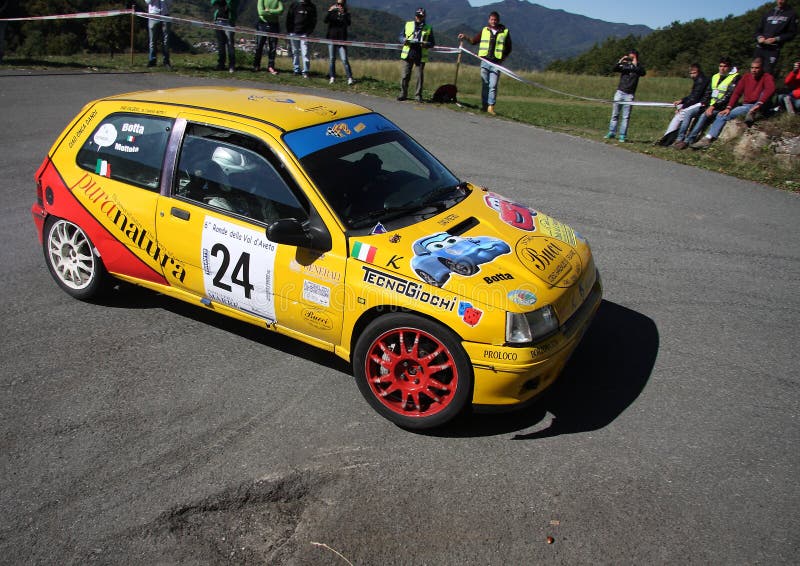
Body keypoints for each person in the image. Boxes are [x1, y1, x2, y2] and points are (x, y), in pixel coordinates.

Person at [690, 58, 775, 149]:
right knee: (721, 115)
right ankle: (708, 138)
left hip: (760, 104)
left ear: (762, 68)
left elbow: (770, 89)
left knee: (762, 95)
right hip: (746, 105)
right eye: (752, 68)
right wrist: (729, 107)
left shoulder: (767, 77)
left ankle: (754, 112)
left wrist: (759, 104)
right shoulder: (746, 77)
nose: (754, 70)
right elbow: (737, 93)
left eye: (757, 68)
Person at [676, 57, 740, 149]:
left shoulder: (735, 77)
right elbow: (708, 92)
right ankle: (679, 139)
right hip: (709, 104)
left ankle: (689, 140)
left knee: (703, 116)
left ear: (730, 67)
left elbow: (728, 96)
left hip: (721, 106)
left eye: (725, 66)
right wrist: (704, 103)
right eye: (720, 66)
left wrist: (713, 106)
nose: (722, 68)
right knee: (688, 112)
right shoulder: (715, 76)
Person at [458, 11, 512, 115]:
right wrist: (465, 37)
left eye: (495, 20)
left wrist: (503, 58)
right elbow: (474, 41)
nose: (493, 21)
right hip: (485, 62)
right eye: (492, 19)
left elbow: (508, 48)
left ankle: (491, 106)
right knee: (485, 84)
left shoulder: (504, 31)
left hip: (496, 64)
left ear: (498, 20)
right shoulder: (484, 30)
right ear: (489, 20)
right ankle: (484, 105)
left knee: (493, 85)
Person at [656, 63, 708, 146]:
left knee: (681, 114)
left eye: (691, 73)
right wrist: (682, 100)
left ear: (695, 71)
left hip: (701, 104)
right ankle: (669, 137)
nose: (691, 75)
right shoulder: (700, 80)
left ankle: (672, 138)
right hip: (699, 102)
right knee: (679, 113)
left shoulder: (700, 81)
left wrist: (683, 106)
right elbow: (693, 95)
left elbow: (695, 97)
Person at [604, 49, 646, 143]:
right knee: (615, 114)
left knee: (625, 116)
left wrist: (634, 63)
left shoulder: (639, 68)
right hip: (620, 92)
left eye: (632, 56)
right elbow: (615, 68)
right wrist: (621, 60)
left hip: (629, 94)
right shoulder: (625, 66)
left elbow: (642, 73)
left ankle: (622, 135)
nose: (629, 58)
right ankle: (612, 132)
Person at [398, 7, 435, 102]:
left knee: (419, 77)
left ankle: (418, 95)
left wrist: (426, 44)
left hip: (420, 55)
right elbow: (400, 36)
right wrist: (403, 40)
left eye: (421, 16)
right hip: (408, 53)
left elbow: (432, 43)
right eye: (418, 16)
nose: (419, 18)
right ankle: (403, 94)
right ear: (415, 16)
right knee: (404, 75)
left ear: (424, 17)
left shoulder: (428, 28)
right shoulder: (408, 24)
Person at [754, 0, 798, 76]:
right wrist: (759, 37)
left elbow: (792, 33)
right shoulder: (768, 13)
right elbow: (758, 30)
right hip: (760, 48)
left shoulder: (791, 14)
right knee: (754, 71)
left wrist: (776, 39)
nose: (780, 1)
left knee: (767, 73)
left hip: (773, 49)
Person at [325, 0, 354, 85]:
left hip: (342, 39)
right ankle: (332, 77)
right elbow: (325, 20)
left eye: (341, 4)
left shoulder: (347, 14)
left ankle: (349, 77)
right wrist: (329, 11)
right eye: (338, 4)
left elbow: (348, 23)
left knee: (344, 59)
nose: (339, 6)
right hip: (331, 38)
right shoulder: (332, 12)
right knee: (332, 59)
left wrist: (343, 14)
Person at [286, 0, 317, 78]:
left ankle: (305, 71)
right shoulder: (294, 5)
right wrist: (290, 30)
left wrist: (309, 32)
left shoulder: (312, 7)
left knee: (305, 52)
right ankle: (296, 70)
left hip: (304, 34)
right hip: (294, 32)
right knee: (295, 51)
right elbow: (289, 18)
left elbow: (313, 20)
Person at [253, 0, 283, 74]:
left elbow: (281, 11)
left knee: (273, 47)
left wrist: (268, 10)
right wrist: (274, 12)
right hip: (262, 24)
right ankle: (256, 65)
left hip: (274, 25)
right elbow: (260, 12)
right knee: (259, 46)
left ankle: (271, 67)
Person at [212, 0, 238, 73]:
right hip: (218, 21)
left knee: (230, 45)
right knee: (221, 45)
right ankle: (221, 64)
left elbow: (232, 4)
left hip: (229, 22)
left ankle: (232, 65)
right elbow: (213, 2)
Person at [146, 0, 171, 68]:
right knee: (153, 40)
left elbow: (170, 3)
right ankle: (152, 60)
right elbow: (148, 2)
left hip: (165, 16)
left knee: (165, 40)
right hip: (153, 15)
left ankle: (166, 61)